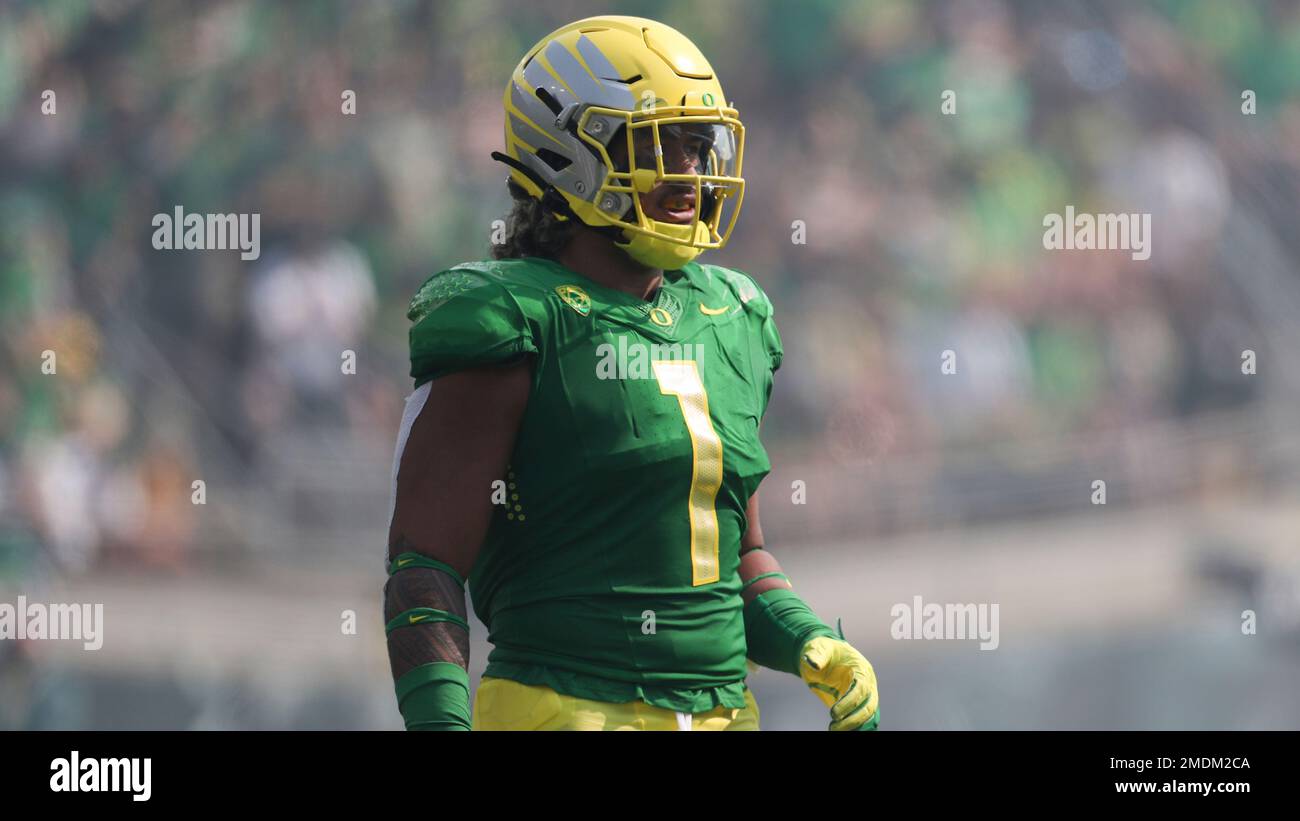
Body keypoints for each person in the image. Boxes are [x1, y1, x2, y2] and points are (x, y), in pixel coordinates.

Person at [383, 15, 879, 731]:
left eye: (696, 144)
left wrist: (813, 642)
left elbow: (736, 562)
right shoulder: (517, 318)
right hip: (563, 711)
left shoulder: (731, 315)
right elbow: (424, 564)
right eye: (657, 144)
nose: (688, 170)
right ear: (569, 154)